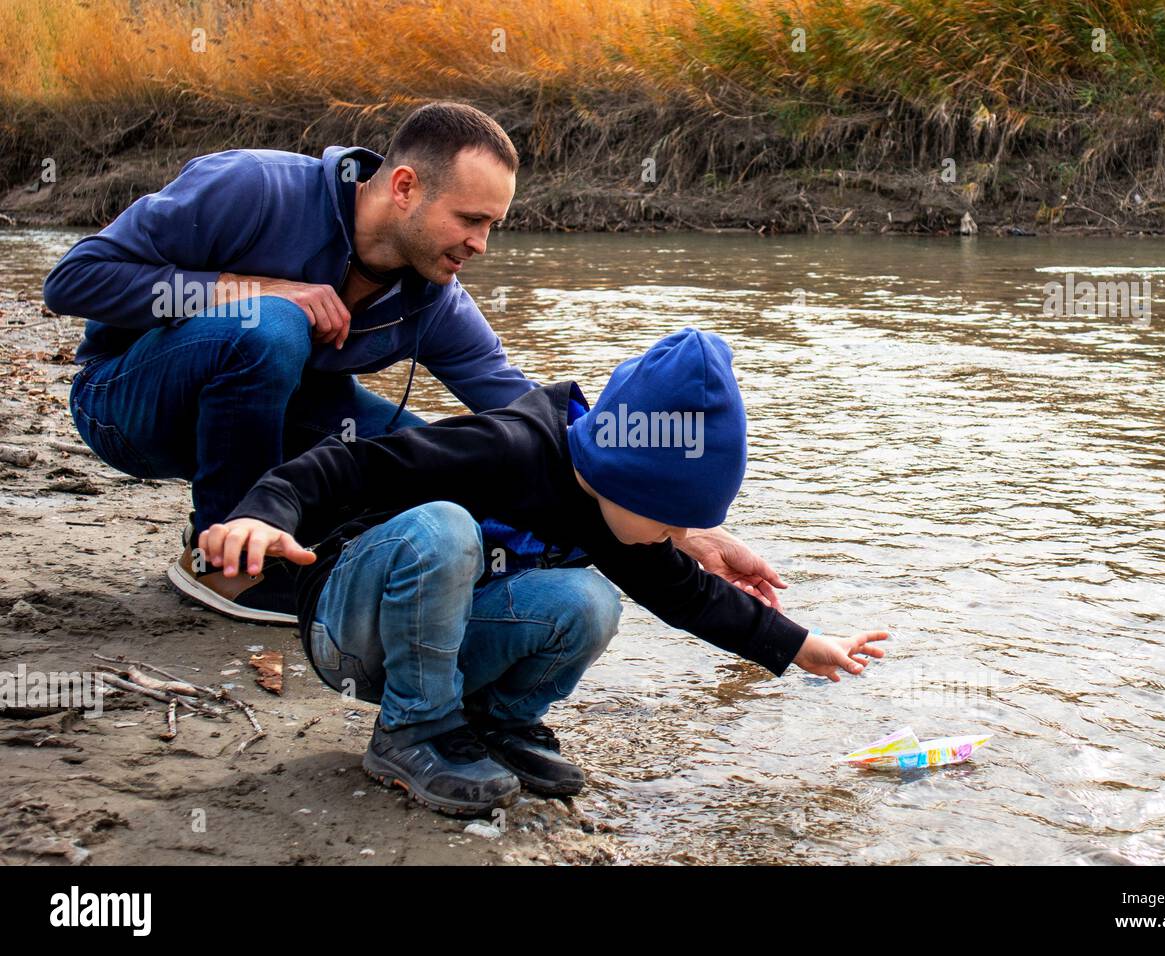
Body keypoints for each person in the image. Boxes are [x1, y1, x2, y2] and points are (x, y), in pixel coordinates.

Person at [43, 101, 786, 625]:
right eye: (470, 219)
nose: (481, 245)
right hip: (126, 403)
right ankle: (227, 568)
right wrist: (261, 291)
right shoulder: (252, 187)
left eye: (493, 225)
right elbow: (72, 280)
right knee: (266, 325)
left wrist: (683, 531)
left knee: (441, 458)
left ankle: (280, 542)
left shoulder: (435, 299)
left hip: (279, 428)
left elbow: (539, 424)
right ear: (404, 187)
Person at [199, 328, 889, 817]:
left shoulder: (614, 508)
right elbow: (349, 464)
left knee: (590, 599)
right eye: (673, 519)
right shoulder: (505, 447)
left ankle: (493, 722)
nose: (680, 539)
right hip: (352, 626)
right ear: (627, 474)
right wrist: (267, 513)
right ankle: (411, 733)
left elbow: (695, 600)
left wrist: (803, 646)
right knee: (444, 527)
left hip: (444, 644)